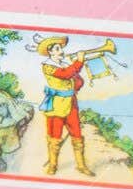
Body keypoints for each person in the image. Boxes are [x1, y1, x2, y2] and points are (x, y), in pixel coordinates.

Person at [38, 35, 96, 177]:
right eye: (57, 49)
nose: (61, 51)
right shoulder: (48, 66)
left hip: (71, 103)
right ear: (50, 52)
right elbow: (65, 74)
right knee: (54, 136)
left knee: (77, 135)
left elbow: (78, 81)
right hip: (56, 105)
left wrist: (76, 82)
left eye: (60, 48)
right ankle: (53, 165)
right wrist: (79, 61)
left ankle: (81, 165)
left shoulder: (65, 64)